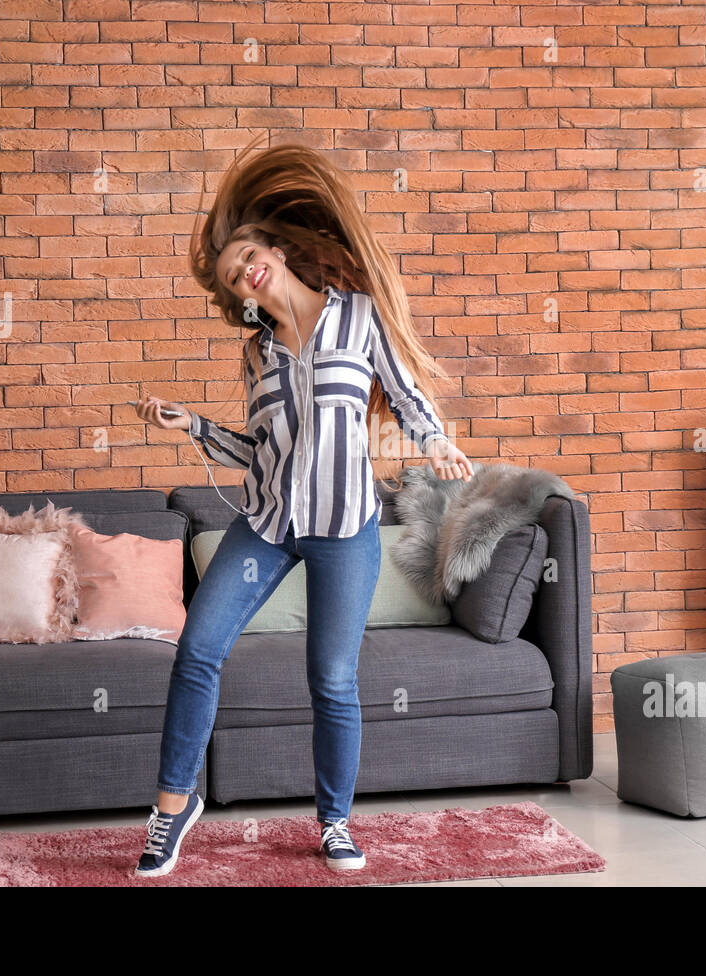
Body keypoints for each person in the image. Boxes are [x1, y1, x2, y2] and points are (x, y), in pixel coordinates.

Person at [132, 139, 475, 877]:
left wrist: (438, 440)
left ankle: (334, 822)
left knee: (332, 679)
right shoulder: (256, 354)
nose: (243, 272)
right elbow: (258, 450)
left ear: (276, 251)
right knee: (197, 651)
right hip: (267, 523)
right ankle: (172, 807)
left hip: (344, 527)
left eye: (247, 256)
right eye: (231, 277)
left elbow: (407, 394)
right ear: (240, 298)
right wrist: (190, 426)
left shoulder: (358, 318)